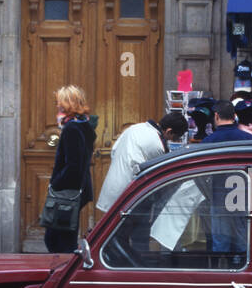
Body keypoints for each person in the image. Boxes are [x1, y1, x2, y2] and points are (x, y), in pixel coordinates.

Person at [95, 112, 188, 215]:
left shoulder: (134, 128)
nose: (172, 140)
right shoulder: (157, 144)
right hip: (128, 196)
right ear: (169, 131)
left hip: (114, 188)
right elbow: (159, 174)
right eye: (174, 137)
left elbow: (114, 151)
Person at [45, 85, 97, 254]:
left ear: (68, 104)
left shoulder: (72, 128)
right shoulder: (82, 125)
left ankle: (65, 273)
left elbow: (74, 165)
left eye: (59, 102)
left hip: (69, 191)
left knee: (56, 239)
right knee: (64, 235)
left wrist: (56, 184)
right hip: (77, 189)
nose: (57, 105)